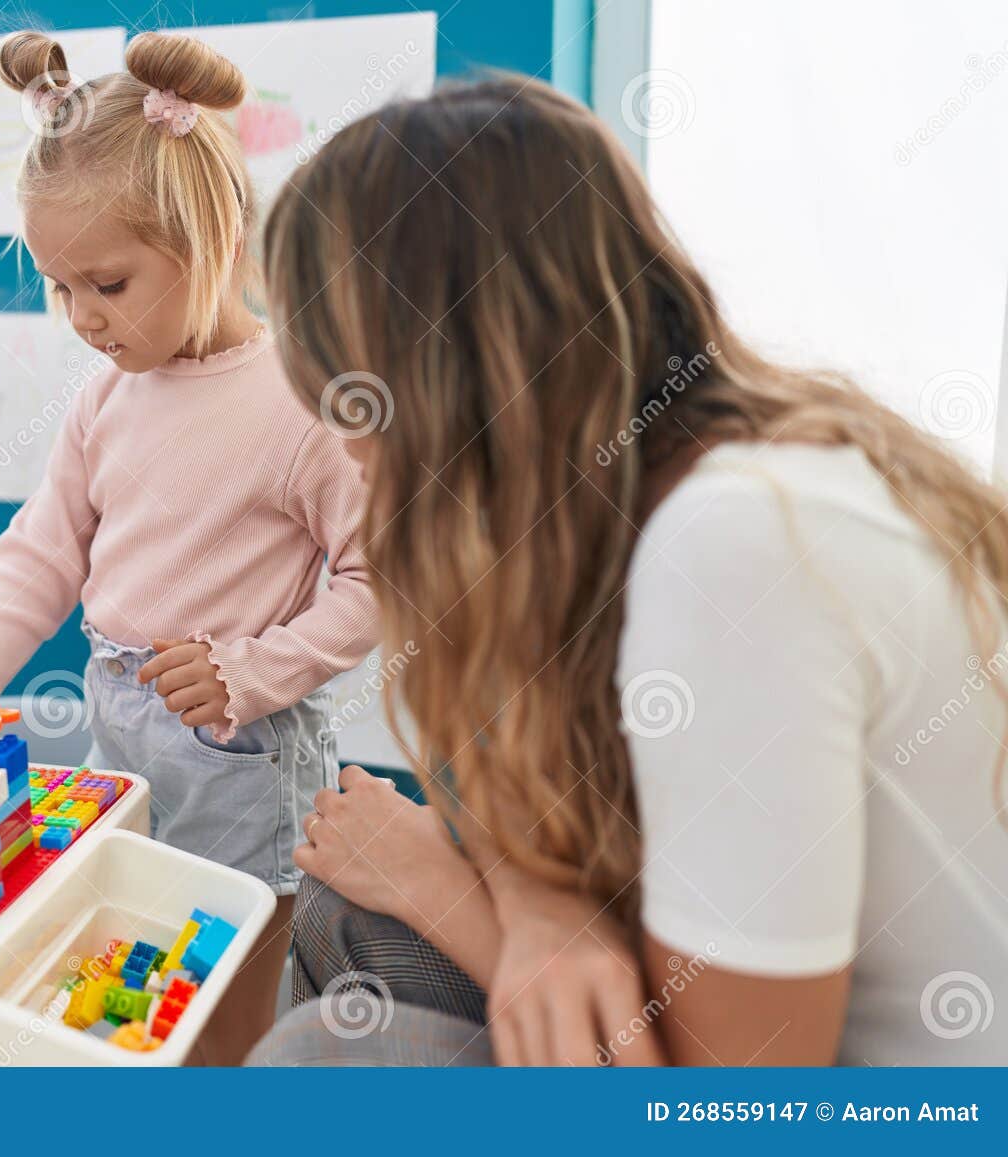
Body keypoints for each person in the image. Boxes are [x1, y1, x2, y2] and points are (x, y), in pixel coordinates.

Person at [251, 75, 1008, 1066]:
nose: (340, 440)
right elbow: (498, 757)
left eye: (349, 396)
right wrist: (536, 902)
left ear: (447, 379)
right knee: (346, 902)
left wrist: (443, 889)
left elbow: (741, 1102)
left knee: (323, 1054)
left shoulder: (737, 545)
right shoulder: (664, 482)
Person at [0, 30, 377, 1064]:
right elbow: (37, 559)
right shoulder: (106, 399)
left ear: (214, 239)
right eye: (61, 287)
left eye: (106, 283)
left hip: (242, 746)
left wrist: (253, 669)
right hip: (124, 725)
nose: (81, 318)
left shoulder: (300, 400)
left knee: (232, 993)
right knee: (137, 973)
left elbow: (385, 582)